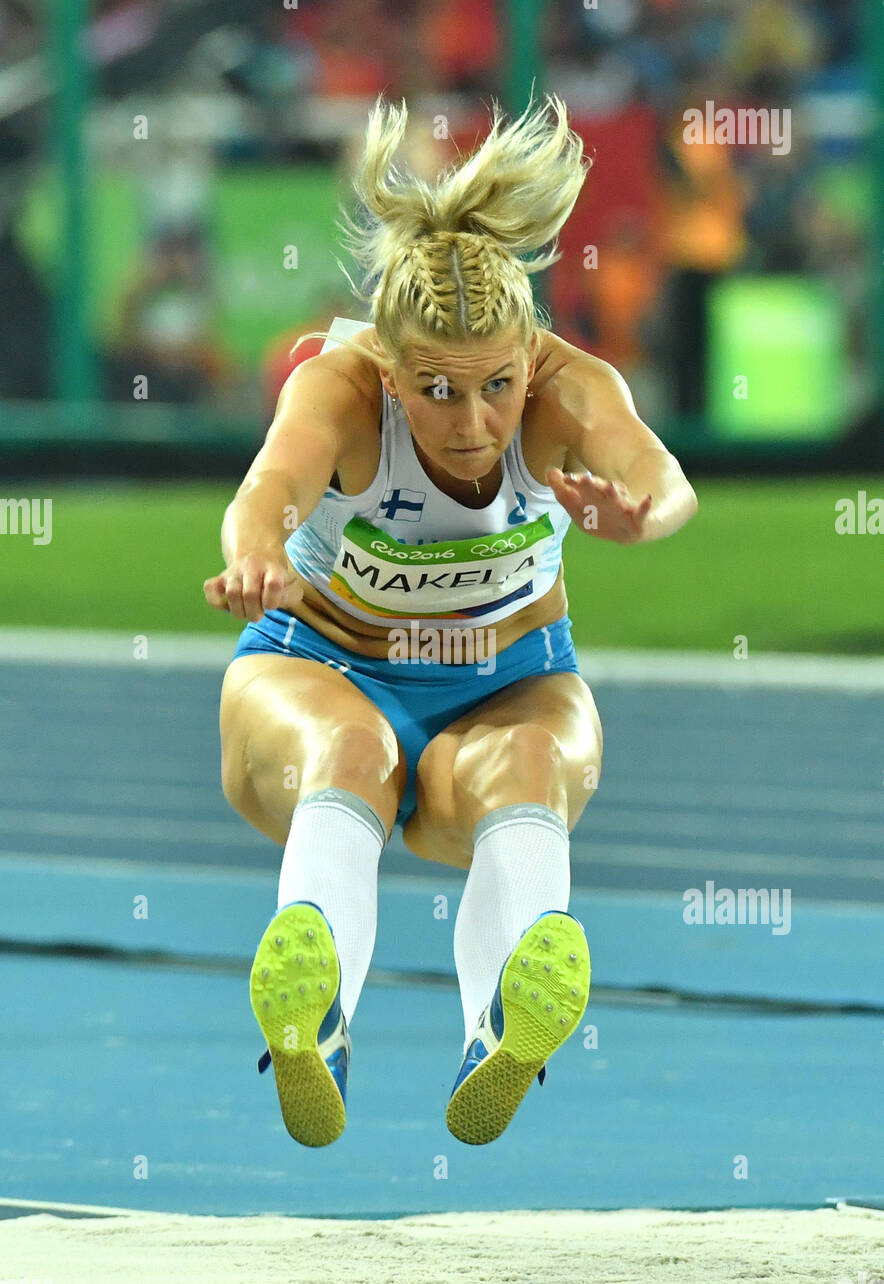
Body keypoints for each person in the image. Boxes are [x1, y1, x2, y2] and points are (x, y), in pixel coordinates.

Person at [204, 93, 698, 1149]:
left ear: (529, 355)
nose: (473, 425)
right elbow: (269, 485)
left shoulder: (570, 387)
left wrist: (644, 511)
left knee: (526, 768)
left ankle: (503, 1034)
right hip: (319, 669)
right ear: (387, 369)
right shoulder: (337, 386)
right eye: (433, 389)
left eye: (496, 388)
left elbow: (658, 470)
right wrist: (252, 554)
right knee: (349, 747)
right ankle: (313, 1019)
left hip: (509, 679)